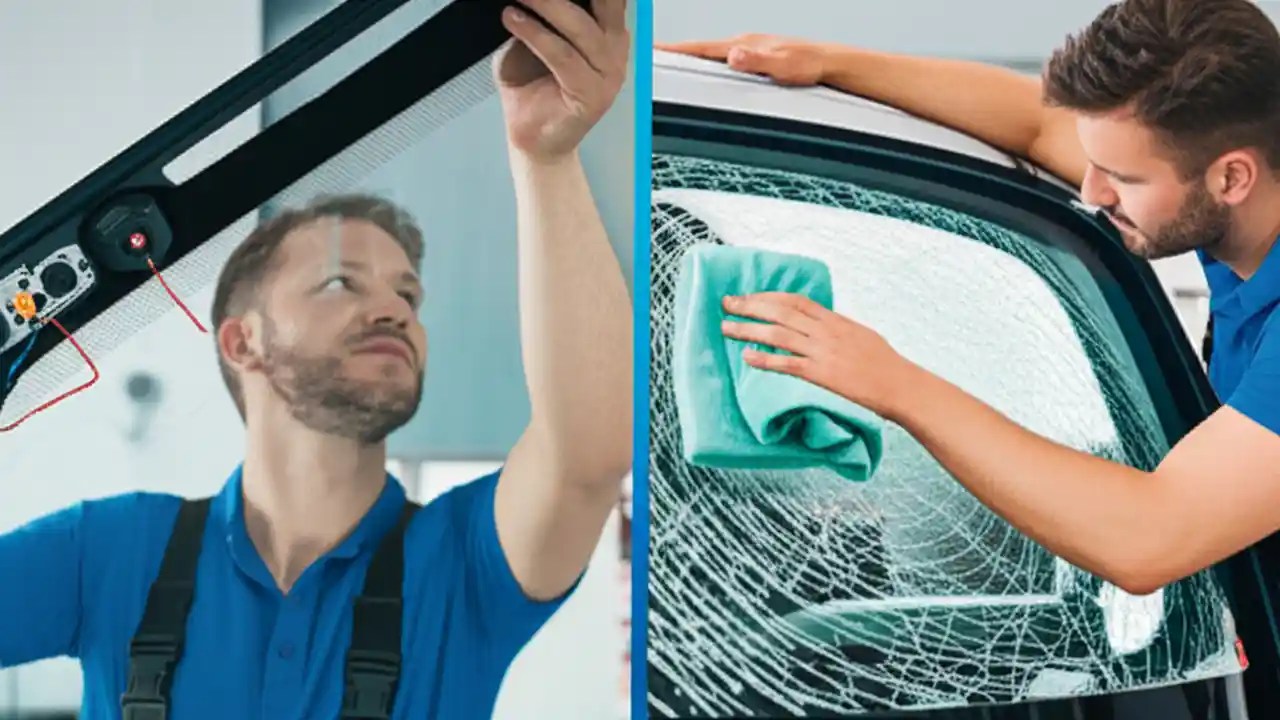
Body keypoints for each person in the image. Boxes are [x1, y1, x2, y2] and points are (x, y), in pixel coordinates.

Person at [0, 1, 633, 718]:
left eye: (408, 294)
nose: (395, 309)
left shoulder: (461, 563)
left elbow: (585, 459)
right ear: (243, 342)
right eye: (341, 283)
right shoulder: (109, 551)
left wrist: (545, 155)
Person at [660, 0, 1280, 599]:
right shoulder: (1233, 206)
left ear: (1231, 178)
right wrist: (825, 63)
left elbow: (1150, 539)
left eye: (1121, 178)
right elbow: (1035, 122)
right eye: (1095, 164)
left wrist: (890, 383)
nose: (1092, 194)